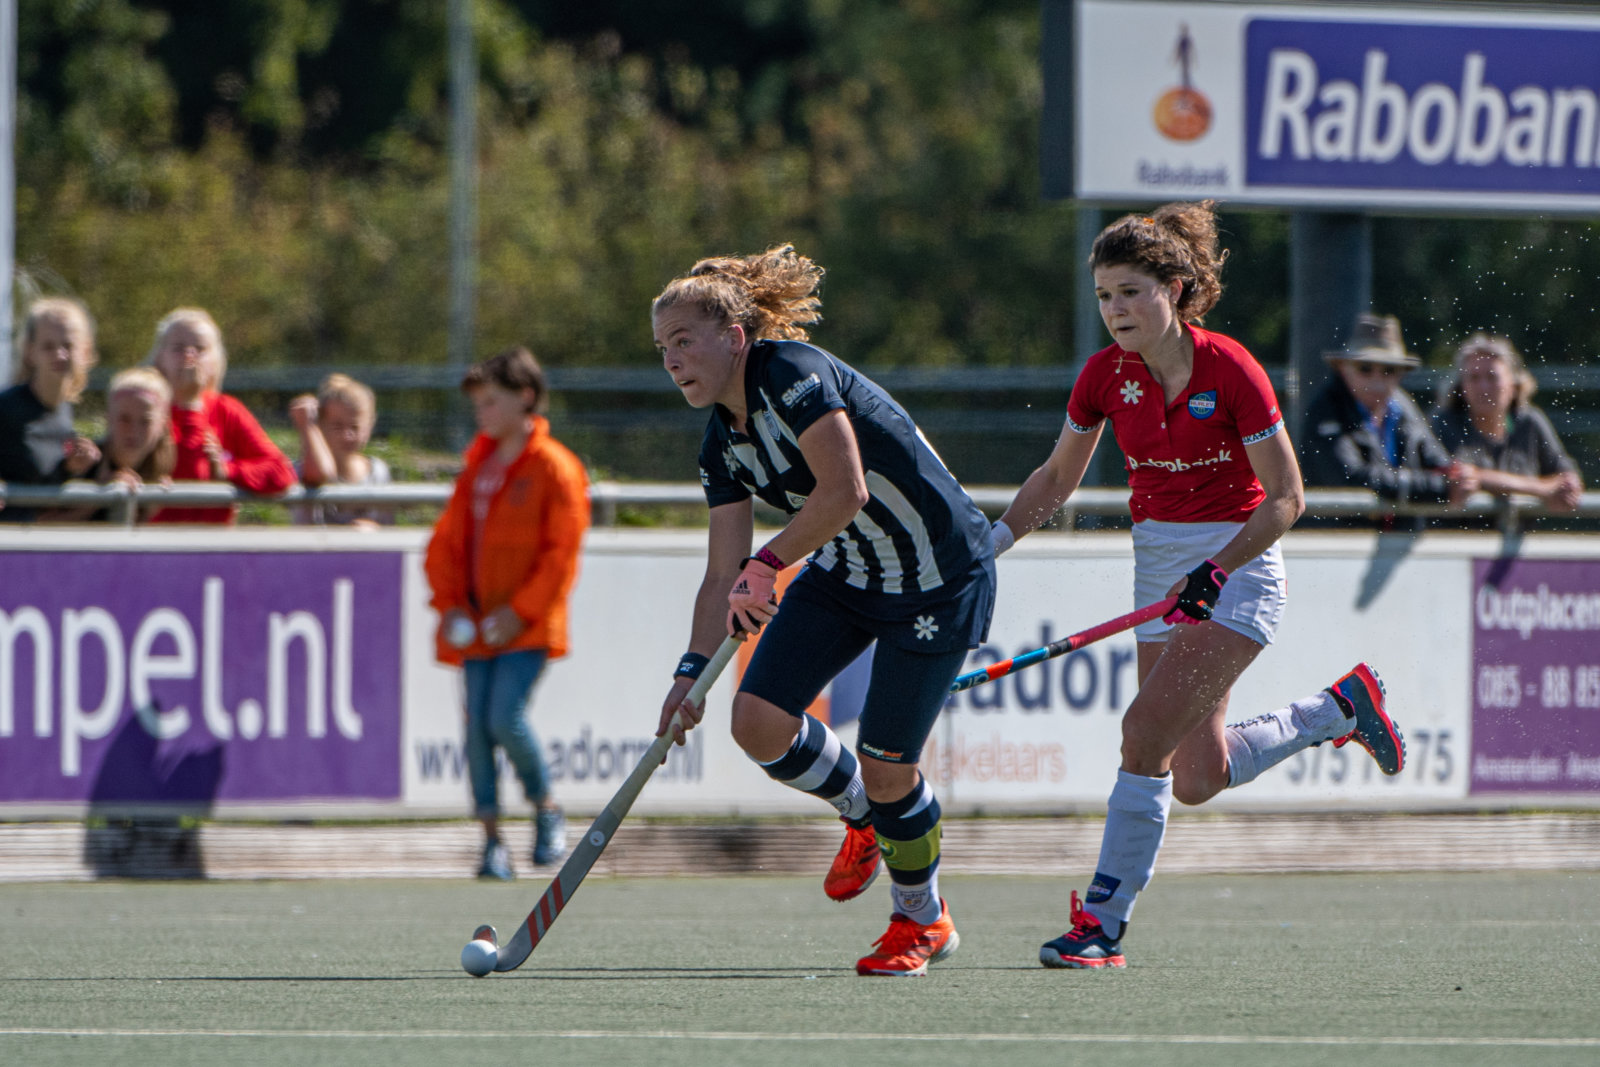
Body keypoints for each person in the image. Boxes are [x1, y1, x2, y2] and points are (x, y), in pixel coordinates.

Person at [992, 201, 1406, 970]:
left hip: (1238, 567)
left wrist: (1215, 572)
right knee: (1196, 776)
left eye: (1130, 293)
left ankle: (1102, 923)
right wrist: (993, 544)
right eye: (1105, 296)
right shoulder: (1103, 377)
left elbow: (1287, 496)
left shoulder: (1232, 370)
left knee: (1142, 733)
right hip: (1158, 563)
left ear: (1175, 289)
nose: (1115, 311)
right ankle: (1336, 709)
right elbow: (1056, 479)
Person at [651, 244, 996, 977]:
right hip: (849, 574)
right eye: (662, 349)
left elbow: (845, 491)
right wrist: (688, 675)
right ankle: (863, 815)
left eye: (684, 341)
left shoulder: (794, 374)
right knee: (757, 719)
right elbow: (721, 569)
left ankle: (921, 918)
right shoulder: (721, 443)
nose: (672, 360)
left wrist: (767, 564)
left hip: (939, 576)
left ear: (735, 336)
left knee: (888, 765)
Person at [424, 346, 589, 880]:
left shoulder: (555, 467)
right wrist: (450, 606)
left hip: (526, 628)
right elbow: (446, 544)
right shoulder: (477, 467)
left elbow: (560, 555)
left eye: (491, 401)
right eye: (478, 403)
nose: (482, 413)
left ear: (525, 398)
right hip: (475, 627)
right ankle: (492, 843)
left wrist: (518, 614)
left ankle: (546, 809)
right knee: (475, 731)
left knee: (503, 717)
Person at [1299, 313, 1477, 529]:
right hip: (1334, 546)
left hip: (1397, 543)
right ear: (1342, 369)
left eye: (1389, 370)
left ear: (1401, 373)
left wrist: (1459, 477)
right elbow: (1352, 479)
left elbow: (1440, 463)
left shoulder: (1403, 407)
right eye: (1365, 368)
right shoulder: (1325, 412)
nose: (1377, 378)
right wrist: (1441, 487)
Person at [144, 308, 295, 524]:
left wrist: (228, 471)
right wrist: (189, 402)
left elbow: (280, 472)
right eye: (178, 348)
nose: (189, 356)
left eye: (200, 349)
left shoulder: (226, 410)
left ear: (216, 360)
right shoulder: (143, 404)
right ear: (159, 358)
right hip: (152, 544)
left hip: (213, 544)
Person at [1432, 333, 1583, 515]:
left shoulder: (1529, 422)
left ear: (1513, 385)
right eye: (1474, 378)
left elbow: (1567, 478)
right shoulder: (1445, 423)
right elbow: (1461, 477)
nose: (1483, 387)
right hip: (1457, 540)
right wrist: (1542, 489)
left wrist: (1565, 487)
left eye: (1492, 377)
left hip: (1522, 540)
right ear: (1461, 387)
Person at [0, 297, 101, 521]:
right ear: (30, 351)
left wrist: (71, 468)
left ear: (85, 352)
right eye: (48, 346)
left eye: (68, 345)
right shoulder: (5, 409)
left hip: (41, 545)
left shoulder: (68, 412)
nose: (60, 355)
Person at [288, 373, 394, 528]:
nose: (347, 435)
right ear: (320, 424)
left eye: (355, 427)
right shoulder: (305, 469)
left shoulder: (378, 471)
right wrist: (307, 426)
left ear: (370, 425)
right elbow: (320, 473)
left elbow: (387, 528)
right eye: (337, 426)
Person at [74, 367, 177, 523]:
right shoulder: (84, 463)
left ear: (163, 425)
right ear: (108, 419)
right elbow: (42, 525)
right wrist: (100, 496)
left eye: (145, 421)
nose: (133, 431)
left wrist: (153, 509)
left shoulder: (163, 465)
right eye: (124, 419)